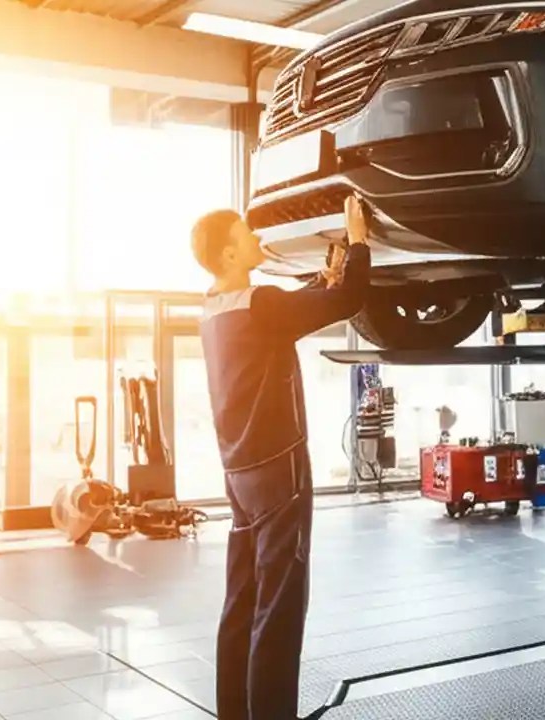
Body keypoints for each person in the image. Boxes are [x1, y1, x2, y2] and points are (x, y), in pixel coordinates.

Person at [193, 195, 371, 720]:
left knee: (242, 600)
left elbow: (288, 311)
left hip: (239, 472)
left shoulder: (213, 309)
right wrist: (359, 241)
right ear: (230, 254)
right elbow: (350, 301)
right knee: (280, 606)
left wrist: (322, 279)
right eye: (245, 234)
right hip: (279, 469)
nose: (256, 239)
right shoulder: (262, 305)